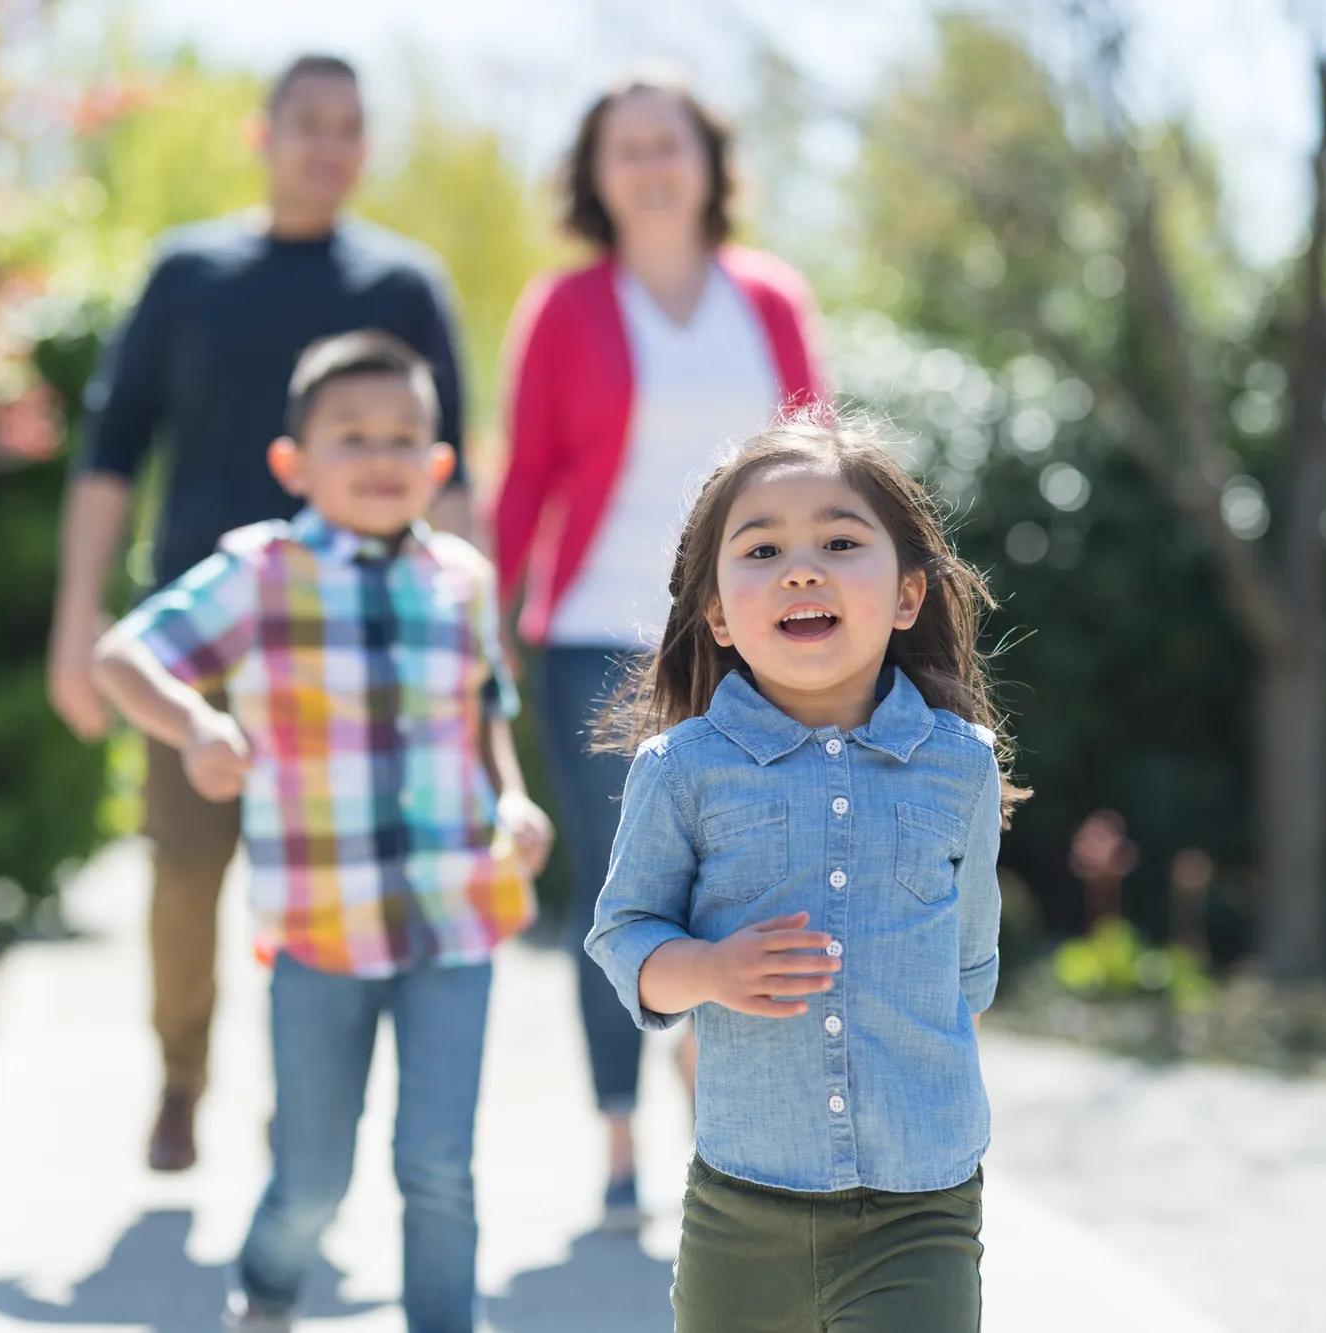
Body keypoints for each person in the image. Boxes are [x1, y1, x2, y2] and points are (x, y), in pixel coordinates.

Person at [46, 52, 471, 1172]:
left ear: (362, 147)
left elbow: (451, 472)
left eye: (348, 126)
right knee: (186, 872)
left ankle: (305, 1100)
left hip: (359, 646)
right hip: (201, 639)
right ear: (264, 134)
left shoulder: (403, 286)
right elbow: (108, 458)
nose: (327, 144)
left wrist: (468, 637)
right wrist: (78, 624)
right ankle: (180, 1075)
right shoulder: (189, 271)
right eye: (307, 123)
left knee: (333, 890)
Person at [91, 331, 550, 1333]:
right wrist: (197, 724)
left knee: (437, 1168)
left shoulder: (463, 580)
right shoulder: (260, 571)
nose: (380, 458)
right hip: (321, 929)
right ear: (294, 462)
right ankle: (265, 1289)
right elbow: (122, 655)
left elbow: (485, 711)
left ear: (438, 464)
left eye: (402, 438)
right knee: (311, 1177)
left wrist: (510, 799)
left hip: (453, 918)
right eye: (351, 437)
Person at [584, 413, 1025, 1332]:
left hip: (922, 1201)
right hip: (744, 1201)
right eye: (762, 549)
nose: (800, 567)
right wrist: (707, 972)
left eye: (838, 540)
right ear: (717, 613)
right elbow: (624, 935)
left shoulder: (962, 764)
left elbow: (970, 967)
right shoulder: (682, 768)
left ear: (907, 596)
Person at [492, 68, 825, 1224]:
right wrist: (487, 622)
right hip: (595, 639)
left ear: (706, 163)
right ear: (594, 175)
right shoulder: (564, 307)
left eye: (665, 144)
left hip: (746, 644)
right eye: (622, 148)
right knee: (622, 888)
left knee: (739, 884)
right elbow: (524, 481)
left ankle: (720, 1129)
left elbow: (821, 465)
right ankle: (619, 1136)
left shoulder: (770, 299)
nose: (646, 166)